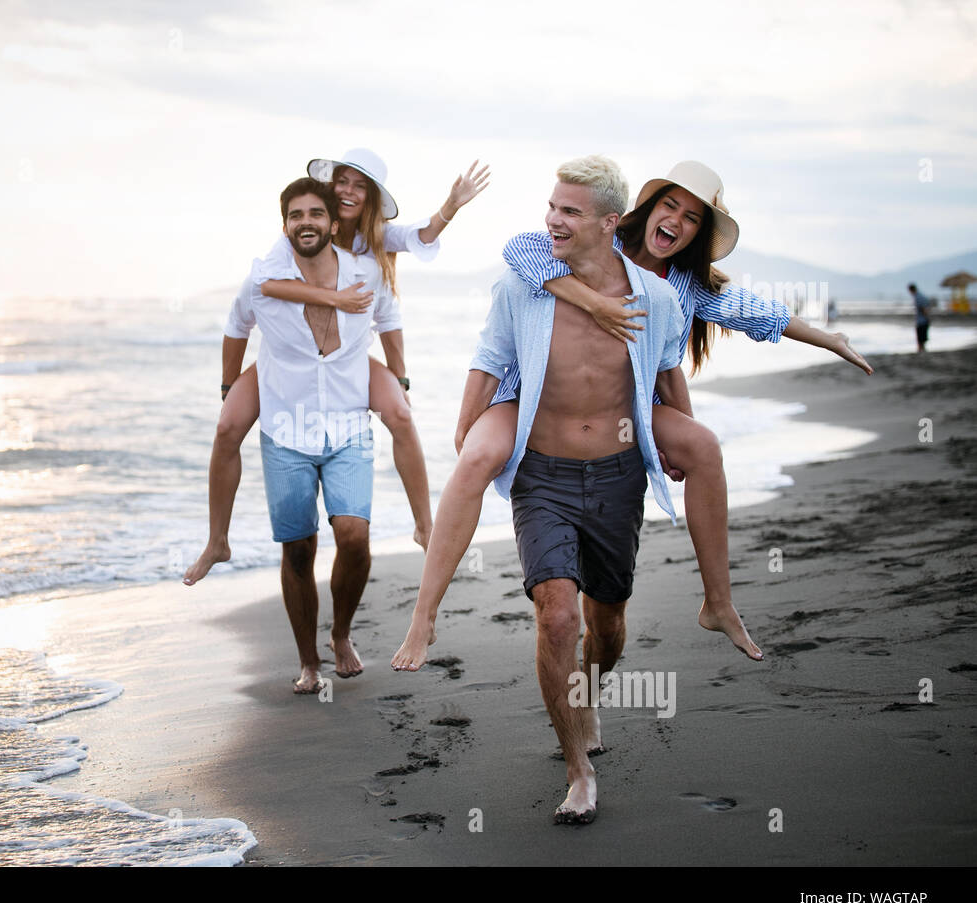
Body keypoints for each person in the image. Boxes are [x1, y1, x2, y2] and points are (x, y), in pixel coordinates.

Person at [392, 160, 873, 672]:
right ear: (643, 211)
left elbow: (754, 318)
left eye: (691, 217)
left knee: (703, 446)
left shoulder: (683, 287)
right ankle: (425, 615)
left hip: (632, 408)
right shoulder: (585, 241)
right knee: (478, 453)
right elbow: (519, 254)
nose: (676, 221)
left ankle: (719, 602)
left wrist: (829, 338)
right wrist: (592, 303)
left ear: (699, 233)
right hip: (535, 396)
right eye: (670, 205)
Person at [445, 156, 688, 823]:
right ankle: (578, 769)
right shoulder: (522, 286)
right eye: (552, 206)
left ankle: (589, 692)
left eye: (571, 211)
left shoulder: (657, 299)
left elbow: (667, 376)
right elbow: (492, 358)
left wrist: (682, 441)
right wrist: (468, 429)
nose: (554, 219)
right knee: (557, 614)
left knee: (605, 625)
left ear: (611, 224)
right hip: (542, 471)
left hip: (616, 475)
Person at [183, 150, 490, 585]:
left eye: (358, 185)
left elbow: (411, 262)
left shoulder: (373, 242)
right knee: (227, 426)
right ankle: (218, 540)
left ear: (370, 198)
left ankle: (425, 526)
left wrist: (451, 206)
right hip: (289, 353)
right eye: (342, 181)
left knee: (400, 415)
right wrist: (228, 383)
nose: (347, 190)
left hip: (345, 354)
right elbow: (264, 287)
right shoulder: (302, 228)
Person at [225, 177, 399, 693]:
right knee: (298, 548)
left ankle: (341, 633)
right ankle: (309, 662)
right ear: (286, 225)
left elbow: (389, 317)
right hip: (284, 431)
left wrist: (398, 373)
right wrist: (229, 385)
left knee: (355, 537)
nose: (306, 222)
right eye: (296, 215)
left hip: (347, 427)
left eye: (315, 214)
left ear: (331, 221)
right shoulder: (265, 278)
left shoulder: (363, 274)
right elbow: (237, 326)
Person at [909, 283, 930, 351]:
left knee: (921, 337)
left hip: (921, 320)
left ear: (911, 290)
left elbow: (923, 308)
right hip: (922, 320)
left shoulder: (918, 297)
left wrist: (926, 317)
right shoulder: (920, 296)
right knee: (922, 337)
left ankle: (921, 349)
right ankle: (922, 349)